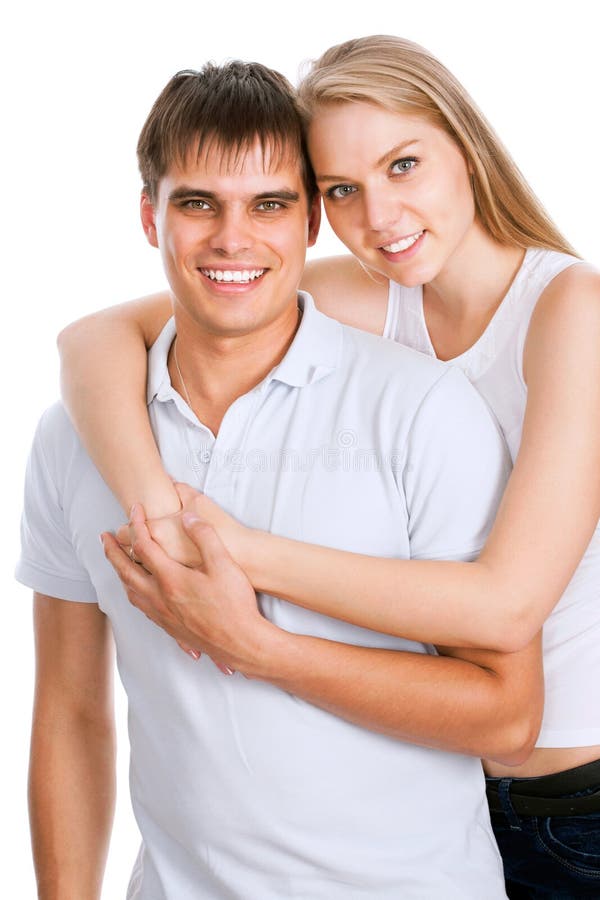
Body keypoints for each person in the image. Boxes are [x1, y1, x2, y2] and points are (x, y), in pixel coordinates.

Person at [56, 35, 600, 898]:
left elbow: (504, 605)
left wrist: (235, 560)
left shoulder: (573, 309)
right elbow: (93, 339)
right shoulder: (376, 293)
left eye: (404, 165)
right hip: (452, 793)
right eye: (344, 189)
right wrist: (156, 509)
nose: (379, 216)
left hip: (571, 810)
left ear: (470, 147)